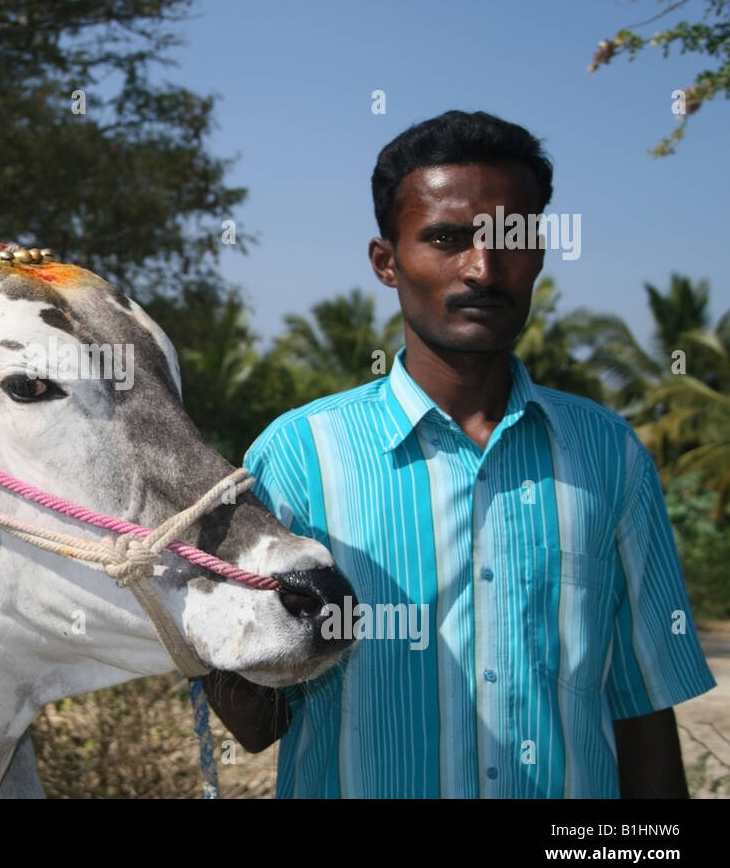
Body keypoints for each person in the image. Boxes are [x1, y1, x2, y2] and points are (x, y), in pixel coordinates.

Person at [205, 110, 715, 797]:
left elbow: (643, 711)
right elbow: (254, 724)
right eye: (446, 239)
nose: (482, 267)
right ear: (387, 262)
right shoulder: (298, 457)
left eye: (512, 237)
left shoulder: (608, 454)